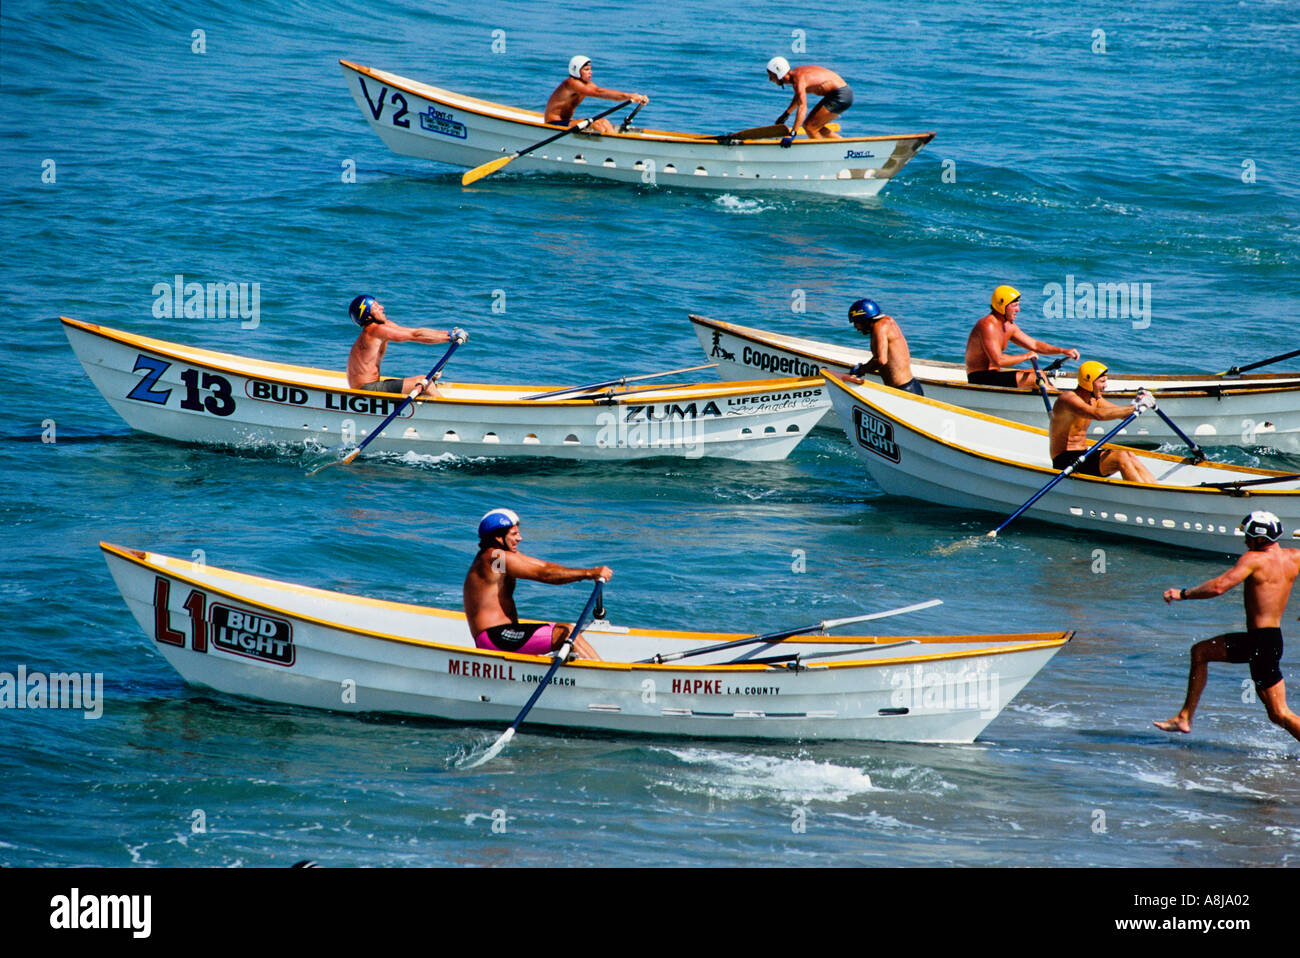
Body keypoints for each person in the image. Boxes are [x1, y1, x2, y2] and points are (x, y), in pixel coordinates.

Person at [1155, 511, 1300, 743]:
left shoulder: (1253, 559)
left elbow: (1219, 587)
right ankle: (1184, 717)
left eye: (1248, 536)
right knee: (1278, 713)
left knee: (1201, 652)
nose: (1245, 541)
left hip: (1258, 642)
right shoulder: (1295, 556)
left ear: (1260, 538)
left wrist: (1182, 594)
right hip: (1272, 641)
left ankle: (1184, 717)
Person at [463, 508, 612, 661]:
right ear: (498, 537)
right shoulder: (495, 558)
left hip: (502, 635)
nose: (520, 538)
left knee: (565, 630)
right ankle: (607, 678)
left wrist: (590, 571)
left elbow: (544, 566)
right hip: (495, 638)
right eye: (514, 534)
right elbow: (545, 575)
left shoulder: (495, 560)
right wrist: (589, 574)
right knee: (565, 633)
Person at [1048, 360, 1155, 481]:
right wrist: (1134, 407)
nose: (1105, 386)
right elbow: (1097, 415)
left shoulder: (1094, 400)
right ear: (1088, 381)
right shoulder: (1068, 399)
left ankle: (1154, 489)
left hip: (1083, 455)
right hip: (1064, 461)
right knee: (1120, 458)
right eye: (1102, 381)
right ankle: (1141, 495)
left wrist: (1138, 401)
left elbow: (1123, 414)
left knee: (1127, 453)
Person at [345, 295, 466, 396]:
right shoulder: (375, 330)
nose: (382, 307)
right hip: (366, 391)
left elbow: (413, 332)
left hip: (369, 386)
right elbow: (416, 336)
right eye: (376, 307)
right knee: (424, 382)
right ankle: (449, 414)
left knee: (426, 381)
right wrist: (450, 337)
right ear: (367, 315)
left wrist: (449, 334)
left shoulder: (381, 327)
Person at [964, 285, 1079, 388]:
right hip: (979, 379)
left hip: (995, 376)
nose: (1018, 310)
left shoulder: (1008, 326)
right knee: (1034, 378)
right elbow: (998, 360)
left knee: (1040, 373)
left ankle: (1059, 400)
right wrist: (1026, 356)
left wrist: (1063, 351)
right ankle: (1061, 405)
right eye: (1014, 306)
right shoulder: (987, 325)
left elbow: (1034, 345)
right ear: (1001, 305)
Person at [836, 298, 924, 396]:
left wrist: (861, 370)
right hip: (908, 388)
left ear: (864, 319)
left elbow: (880, 360)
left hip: (904, 392)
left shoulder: (880, 326)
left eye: (856, 322)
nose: (855, 327)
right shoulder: (886, 322)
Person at [544, 56, 649, 134]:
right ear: (576, 70)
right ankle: (614, 146)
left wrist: (637, 97)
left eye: (590, 69)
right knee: (596, 124)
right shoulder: (571, 83)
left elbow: (600, 91)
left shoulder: (586, 84)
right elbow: (599, 92)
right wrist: (630, 96)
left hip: (568, 122)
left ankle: (616, 143)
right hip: (554, 124)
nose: (590, 72)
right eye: (586, 70)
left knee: (604, 122)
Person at [766, 57, 852, 145]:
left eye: (771, 75)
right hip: (838, 95)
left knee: (809, 127)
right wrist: (785, 115)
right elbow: (798, 97)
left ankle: (823, 153)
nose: (770, 79)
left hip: (841, 95)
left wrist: (793, 133)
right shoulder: (796, 75)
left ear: (779, 73)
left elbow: (802, 107)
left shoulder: (798, 80)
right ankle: (843, 146)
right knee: (815, 125)